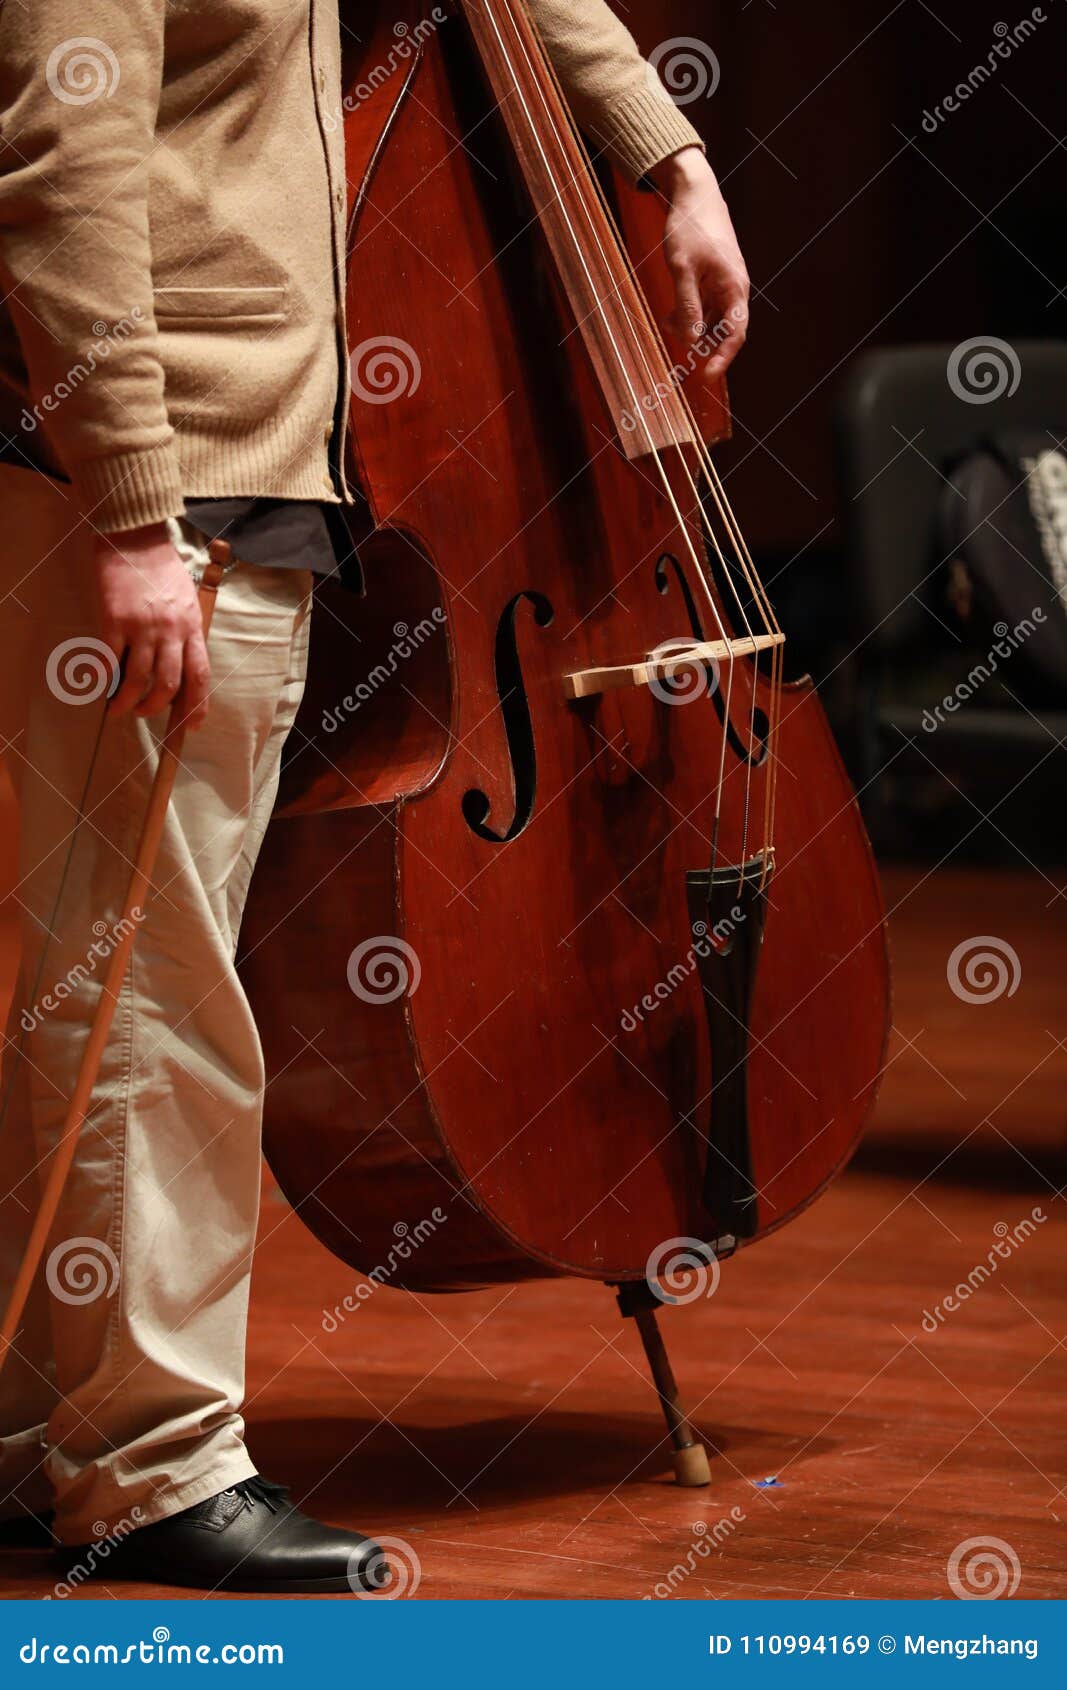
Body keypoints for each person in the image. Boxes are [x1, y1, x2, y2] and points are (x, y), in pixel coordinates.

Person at [0, 0, 749, 1593]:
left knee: (107, 967)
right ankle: (156, 1462)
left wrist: (669, 158)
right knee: (147, 981)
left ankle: (47, 1430)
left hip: (240, 456)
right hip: (167, 473)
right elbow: (63, 161)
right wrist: (132, 510)